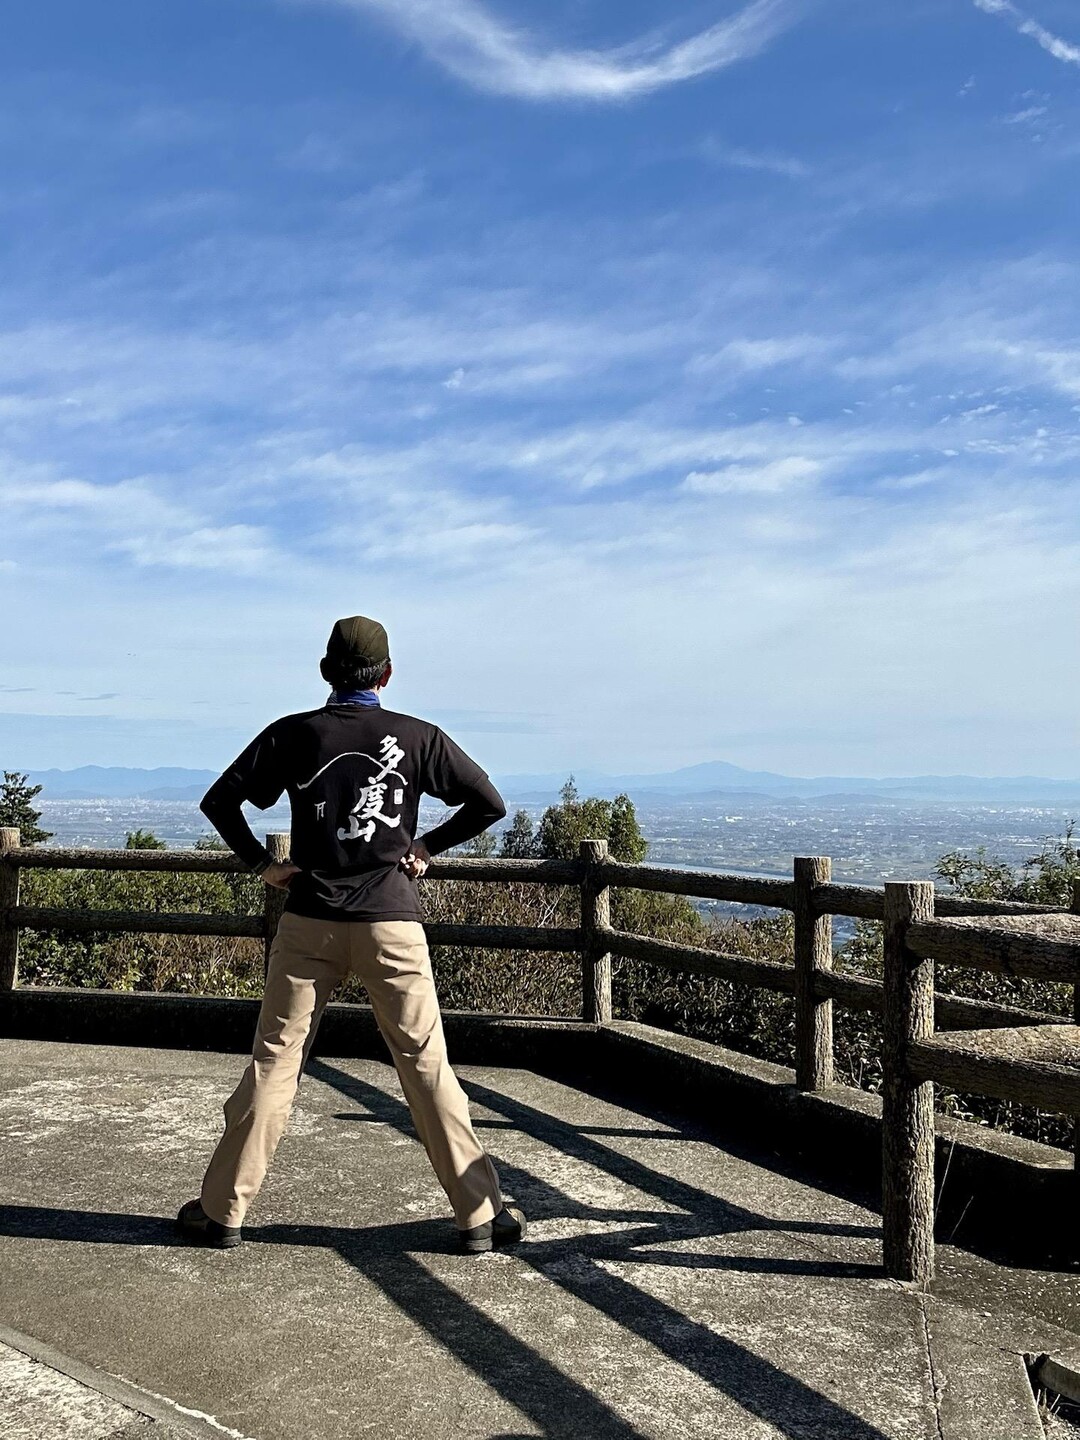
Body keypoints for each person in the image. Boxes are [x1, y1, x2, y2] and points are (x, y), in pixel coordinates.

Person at [176, 615, 525, 1255]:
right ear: (386, 675)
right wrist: (426, 846)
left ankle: (223, 1210)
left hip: (309, 920)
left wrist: (264, 864)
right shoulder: (419, 738)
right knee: (425, 1065)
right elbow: (488, 803)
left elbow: (219, 802)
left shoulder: (293, 735)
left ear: (324, 671)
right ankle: (479, 1215)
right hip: (392, 921)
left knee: (275, 1063)